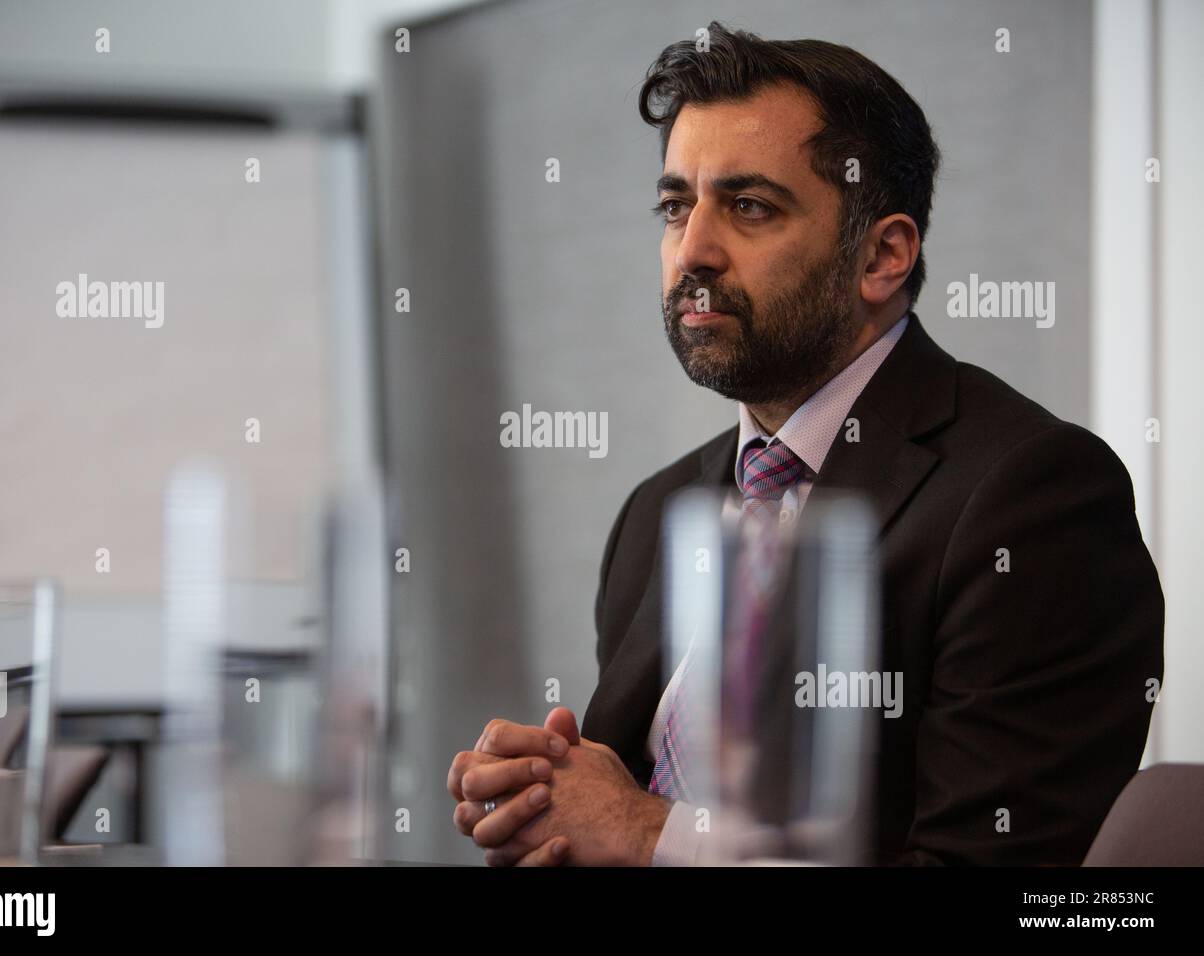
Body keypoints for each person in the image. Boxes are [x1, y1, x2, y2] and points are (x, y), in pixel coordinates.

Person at [446, 23, 1163, 866]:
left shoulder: (1031, 497)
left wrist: (646, 835)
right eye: (677, 206)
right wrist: (551, 811)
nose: (694, 251)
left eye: (750, 207)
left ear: (884, 254)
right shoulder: (657, 512)